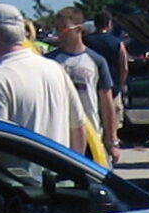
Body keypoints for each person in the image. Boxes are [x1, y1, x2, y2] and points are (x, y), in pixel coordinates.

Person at [0, 3, 81, 151]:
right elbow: (78, 128)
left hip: (15, 174)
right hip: (59, 172)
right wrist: (73, 172)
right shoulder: (55, 69)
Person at [48, 8, 117, 157]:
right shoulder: (49, 62)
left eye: (63, 29)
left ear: (79, 29)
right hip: (59, 137)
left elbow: (106, 103)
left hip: (90, 137)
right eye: (57, 29)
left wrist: (112, 140)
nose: (59, 34)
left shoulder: (96, 61)